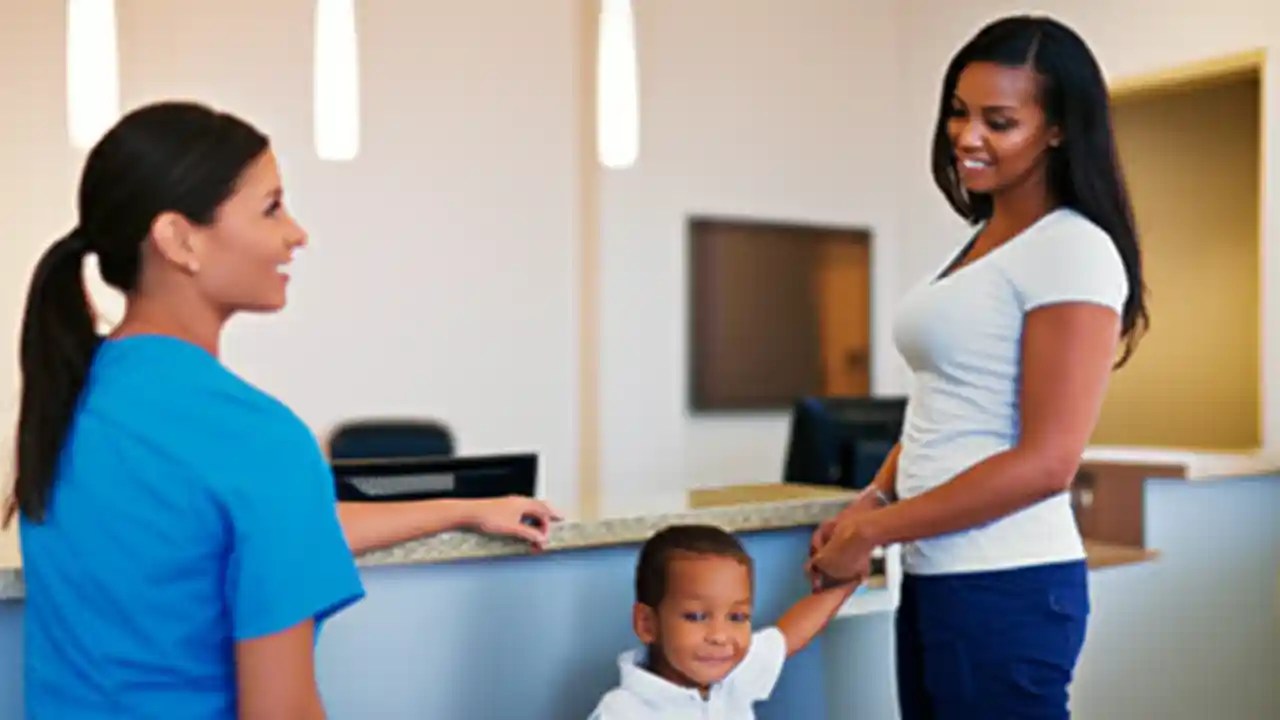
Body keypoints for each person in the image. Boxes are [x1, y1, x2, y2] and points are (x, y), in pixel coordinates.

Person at [9, 100, 559, 719]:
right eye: (271, 207)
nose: (296, 233)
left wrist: (466, 509)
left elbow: (252, 529)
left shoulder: (74, 404)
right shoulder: (255, 439)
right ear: (179, 239)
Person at [807, 15, 1149, 720]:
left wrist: (874, 533)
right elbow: (947, 404)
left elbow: (1048, 461)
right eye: (959, 113)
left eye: (1000, 121)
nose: (967, 136)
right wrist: (873, 497)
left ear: (1057, 128)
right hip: (939, 578)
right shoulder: (984, 240)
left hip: (1007, 584)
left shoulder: (1073, 250)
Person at [589, 524, 856, 719]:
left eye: (737, 617)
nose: (720, 636)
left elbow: (788, 637)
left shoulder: (733, 674)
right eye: (696, 616)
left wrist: (849, 578)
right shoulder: (622, 712)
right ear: (647, 624)